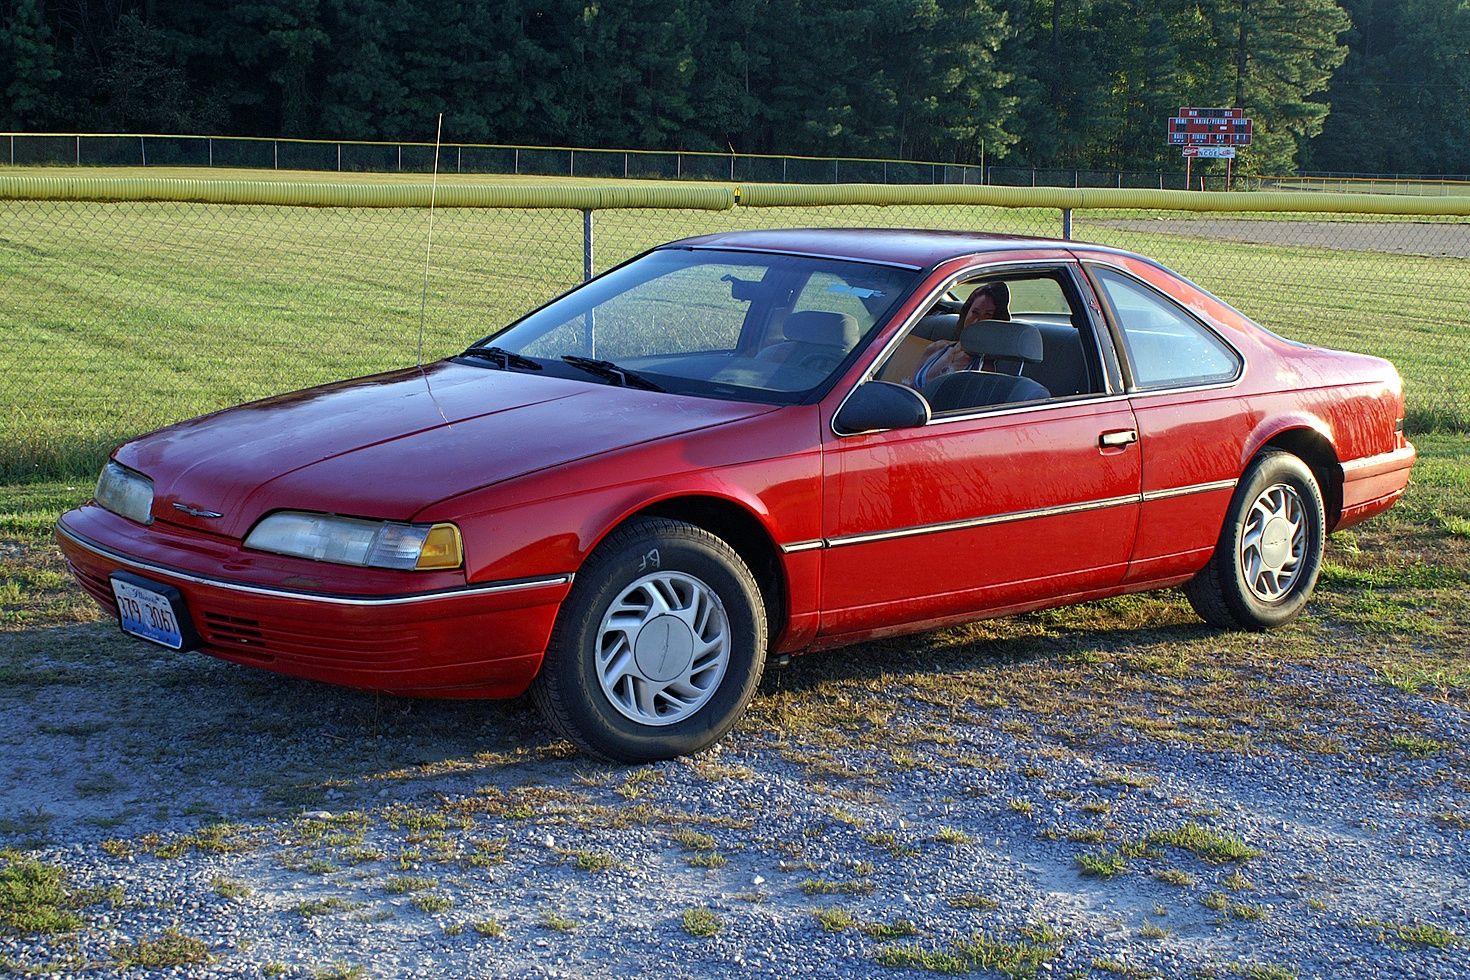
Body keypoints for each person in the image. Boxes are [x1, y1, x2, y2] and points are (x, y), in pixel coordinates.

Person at [908, 281, 1011, 388]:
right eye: (975, 312)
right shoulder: (936, 348)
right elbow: (910, 388)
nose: (977, 321)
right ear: (966, 313)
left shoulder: (984, 368)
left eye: (988, 315)